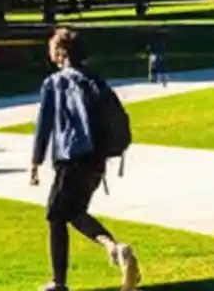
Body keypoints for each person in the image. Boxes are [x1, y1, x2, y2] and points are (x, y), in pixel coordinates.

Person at [31, 28, 141, 291]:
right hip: (97, 158)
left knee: (55, 217)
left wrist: (35, 162)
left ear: (59, 54)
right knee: (75, 212)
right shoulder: (95, 80)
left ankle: (60, 282)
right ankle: (115, 249)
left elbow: (44, 126)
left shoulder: (54, 84)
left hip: (70, 158)